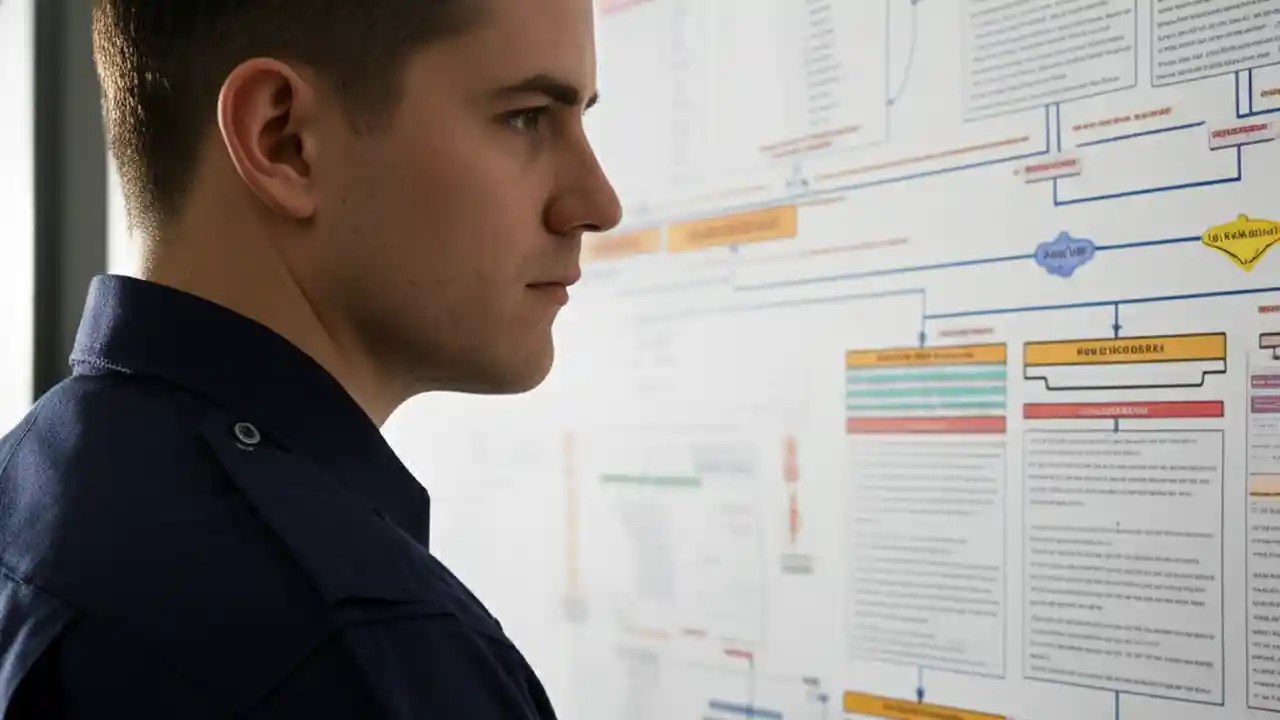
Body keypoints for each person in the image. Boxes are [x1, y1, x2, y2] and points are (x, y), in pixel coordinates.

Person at [0, 0, 621, 716]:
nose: (597, 203)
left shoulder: (36, 491)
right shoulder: (362, 663)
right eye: (528, 117)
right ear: (284, 140)